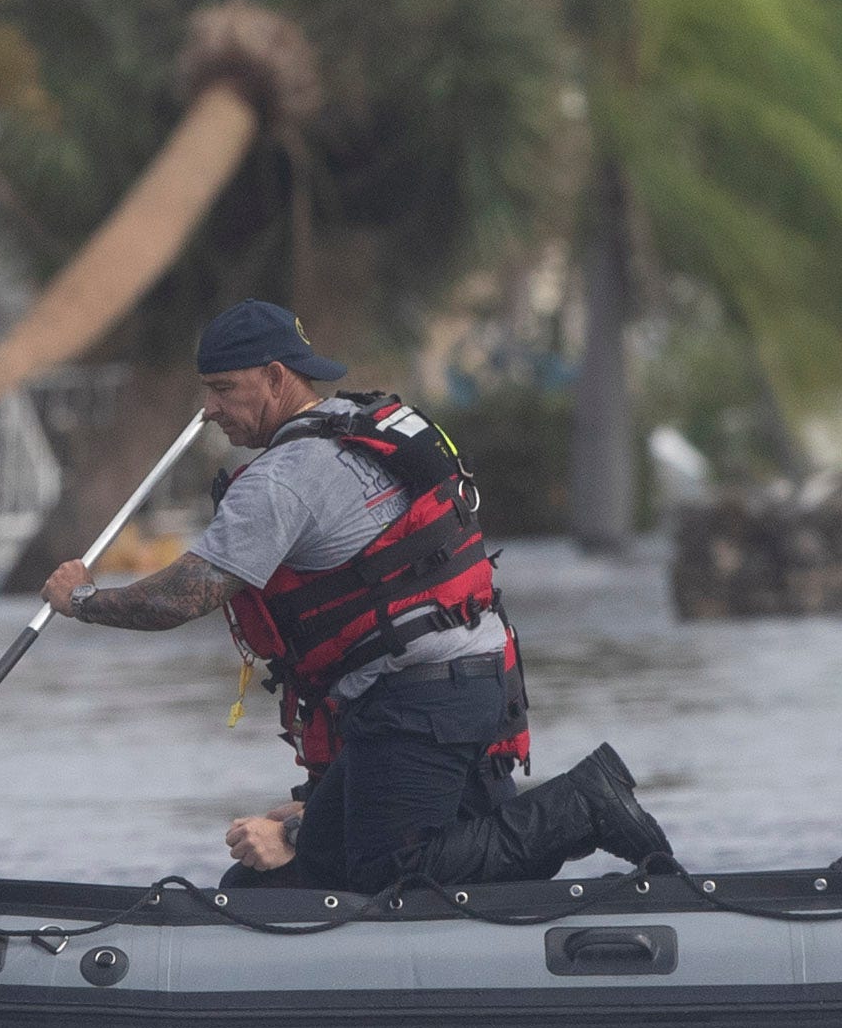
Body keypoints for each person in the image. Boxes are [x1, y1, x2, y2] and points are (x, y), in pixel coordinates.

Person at [47, 301, 679, 892]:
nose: (209, 409)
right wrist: (306, 815)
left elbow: (185, 597)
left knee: (393, 871)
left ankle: (582, 805)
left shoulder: (282, 478)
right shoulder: (356, 427)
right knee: (300, 868)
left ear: (274, 377)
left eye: (222, 389)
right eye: (205, 391)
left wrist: (83, 600)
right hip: (460, 685)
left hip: (423, 697)